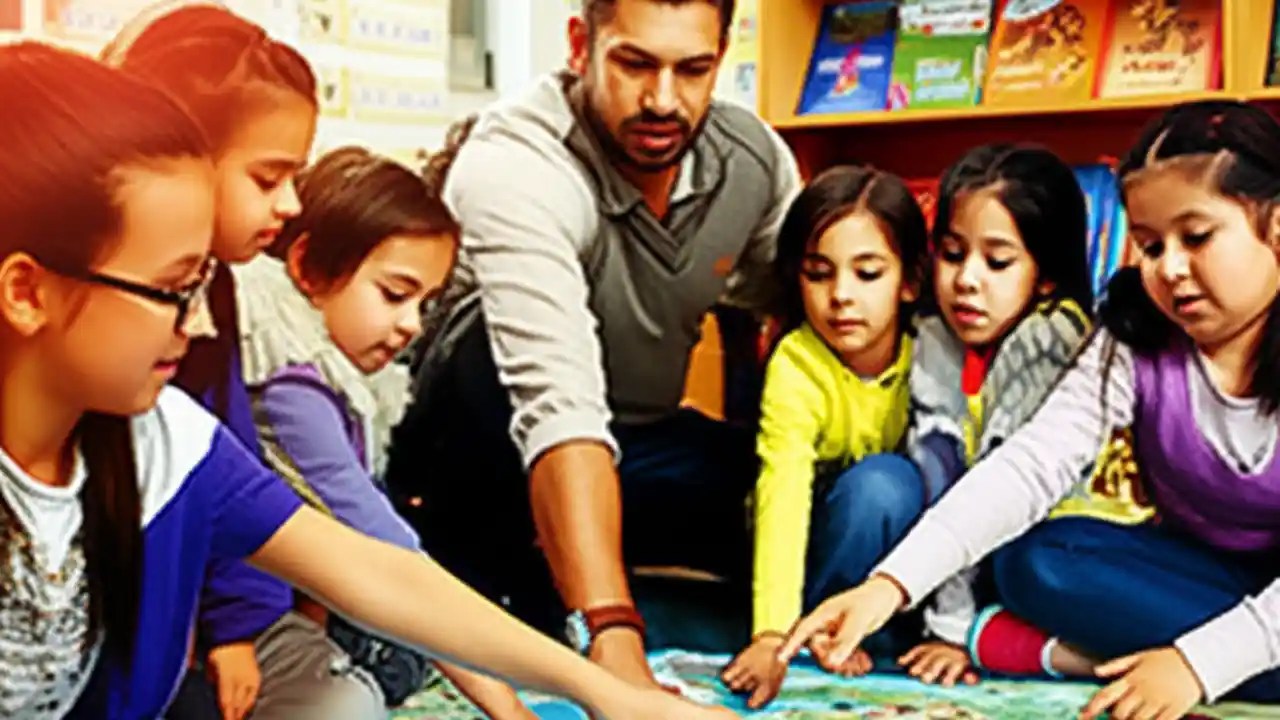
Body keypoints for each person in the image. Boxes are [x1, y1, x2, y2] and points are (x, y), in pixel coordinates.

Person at [0, 40, 738, 720]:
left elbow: (379, 575)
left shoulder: (169, 443)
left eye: (204, 286)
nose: (196, 327)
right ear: (28, 292)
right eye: (172, 290)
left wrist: (605, 692)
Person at [780, 101, 1280, 720]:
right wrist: (889, 586)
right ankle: (1239, 664)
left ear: (1276, 223)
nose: (1170, 269)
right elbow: (1030, 465)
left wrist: (1195, 666)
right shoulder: (1135, 335)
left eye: (1196, 237)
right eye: (1150, 245)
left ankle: (1120, 658)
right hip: (1199, 582)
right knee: (1037, 559)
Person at [383, 0, 800, 688]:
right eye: (634, 63)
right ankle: (500, 590)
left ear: (721, 57)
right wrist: (613, 641)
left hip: (636, 445)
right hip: (487, 452)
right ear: (581, 46)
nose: (663, 99)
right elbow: (557, 407)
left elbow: (814, 305)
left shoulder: (751, 162)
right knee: (487, 350)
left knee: (806, 495)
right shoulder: (515, 162)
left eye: (693, 69)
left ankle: (574, 574)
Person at [100, 6, 387, 718]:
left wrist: (234, 628)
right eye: (268, 178)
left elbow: (229, 476)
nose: (291, 203)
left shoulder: (218, 298)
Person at [234, 144, 536, 719]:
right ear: (306, 267)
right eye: (395, 295)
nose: (410, 326)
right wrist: (510, 708)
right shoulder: (286, 383)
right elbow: (378, 542)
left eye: (425, 304)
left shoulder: (339, 379)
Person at [718, 166, 929, 709]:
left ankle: (877, 623)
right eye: (819, 273)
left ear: (909, 281)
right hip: (818, 546)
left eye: (868, 274)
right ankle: (821, 625)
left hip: (904, 558)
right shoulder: (796, 363)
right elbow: (783, 495)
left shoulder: (934, 353)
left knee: (897, 482)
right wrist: (772, 635)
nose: (841, 296)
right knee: (880, 485)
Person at [893, 143, 1094, 687]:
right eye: (953, 255)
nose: (967, 280)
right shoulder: (935, 339)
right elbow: (938, 467)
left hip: (1043, 550)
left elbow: (992, 489)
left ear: (1046, 273)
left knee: (1034, 567)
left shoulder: (1052, 341)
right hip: (963, 563)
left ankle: (1002, 638)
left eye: (998, 262)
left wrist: (952, 630)